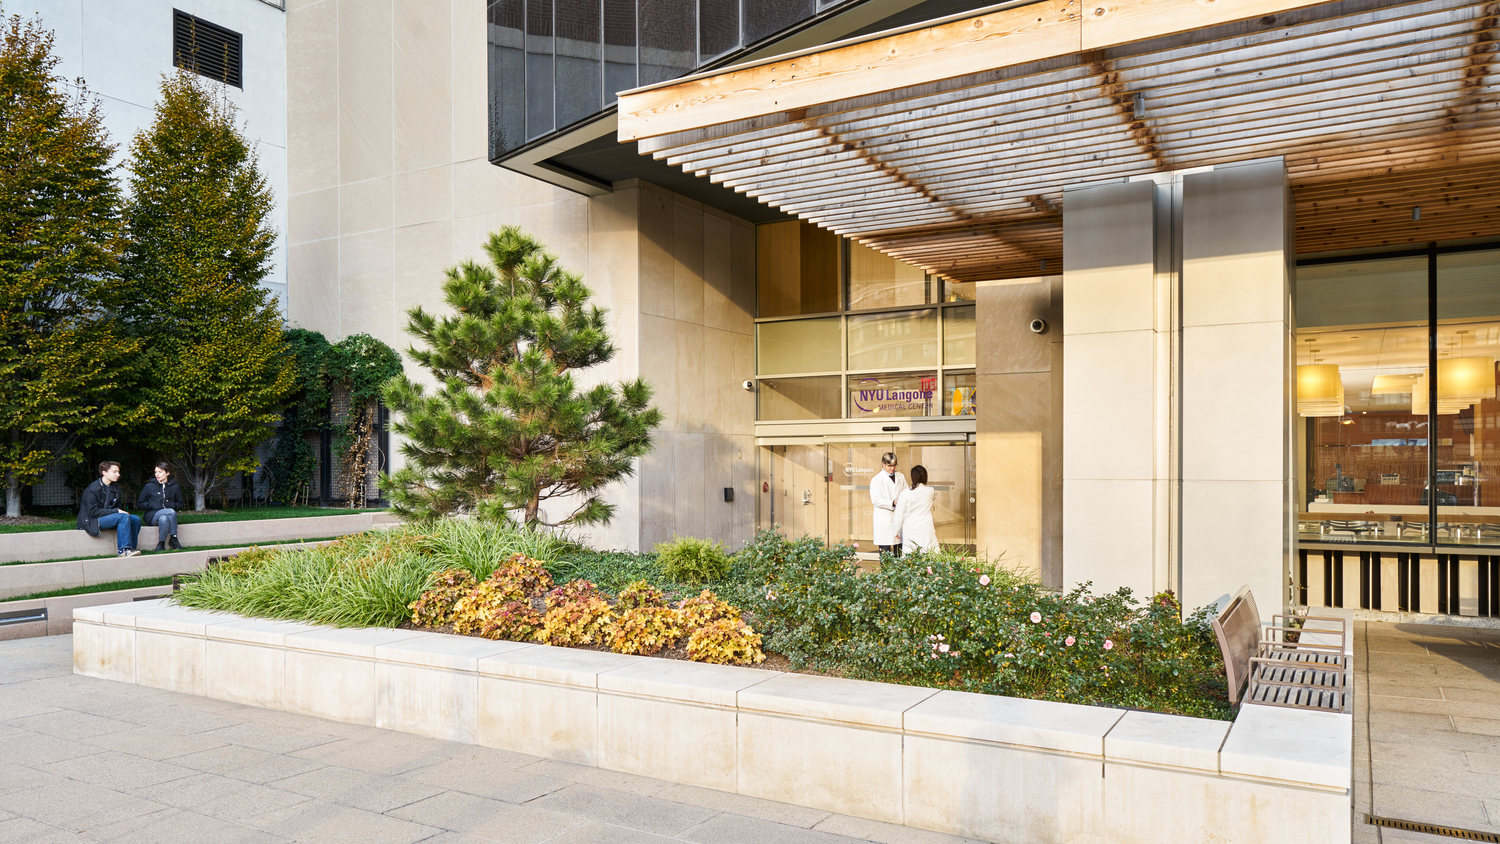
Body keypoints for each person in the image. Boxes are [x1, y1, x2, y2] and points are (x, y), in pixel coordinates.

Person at [76, 461, 142, 557]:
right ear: (104, 472)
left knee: (135, 519)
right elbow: (93, 512)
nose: (118, 474)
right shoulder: (93, 489)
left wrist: (117, 511)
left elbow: (116, 507)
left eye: (118, 472)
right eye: (114, 472)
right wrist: (116, 512)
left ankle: (131, 548)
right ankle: (123, 550)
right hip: (91, 520)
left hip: (106, 517)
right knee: (122, 517)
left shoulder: (116, 487)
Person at [137, 461, 185, 551]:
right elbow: (140, 504)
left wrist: (171, 505)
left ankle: (161, 544)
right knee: (171, 512)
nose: (157, 474)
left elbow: (181, 504)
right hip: (152, 516)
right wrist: (151, 504)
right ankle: (174, 538)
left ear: (167, 473)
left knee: (164, 518)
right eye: (156, 472)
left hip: (166, 517)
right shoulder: (149, 486)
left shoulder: (175, 487)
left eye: (160, 472)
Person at [892, 464, 939, 555]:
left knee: (911, 552)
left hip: (911, 526)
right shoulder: (931, 490)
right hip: (926, 525)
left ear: (912, 477)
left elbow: (899, 514)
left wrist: (896, 530)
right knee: (929, 551)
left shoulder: (906, 493)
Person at [870, 452, 905, 557]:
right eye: (890, 465)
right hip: (884, 520)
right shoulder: (876, 480)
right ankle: (886, 573)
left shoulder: (901, 476)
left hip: (898, 518)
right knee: (885, 553)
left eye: (894, 465)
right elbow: (876, 500)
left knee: (899, 551)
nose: (892, 468)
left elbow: (905, 492)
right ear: (883, 464)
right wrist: (892, 503)